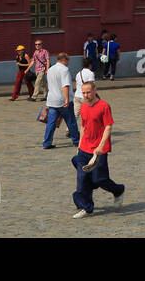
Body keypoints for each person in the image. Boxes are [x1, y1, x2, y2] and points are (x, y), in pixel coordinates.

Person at [71, 80, 125, 218]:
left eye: (88, 92)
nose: (86, 95)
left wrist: (101, 146)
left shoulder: (104, 106)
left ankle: (118, 190)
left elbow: (108, 126)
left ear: (95, 90)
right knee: (82, 178)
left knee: (99, 179)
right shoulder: (83, 107)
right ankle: (86, 207)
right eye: (83, 92)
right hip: (84, 148)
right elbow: (83, 127)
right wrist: (79, 145)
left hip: (100, 150)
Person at [43, 52, 79, 149]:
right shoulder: (64, 70)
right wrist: (67, 99)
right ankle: (76, 140)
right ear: (64, 60)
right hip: (62, 100)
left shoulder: (50, 70)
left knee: (51, 123)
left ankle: (47, 142)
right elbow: (65, 85)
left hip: (52, 100)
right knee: (71, 121)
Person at [74, 58, 96, 124]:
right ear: (90, 65)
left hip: (77, 95)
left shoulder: (78, 73)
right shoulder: (91, 73)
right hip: (86, 96)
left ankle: (69, 129)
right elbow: (91, 86)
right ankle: (88, 127)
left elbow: (76, 84)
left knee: (75, 114)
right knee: (88, 113)